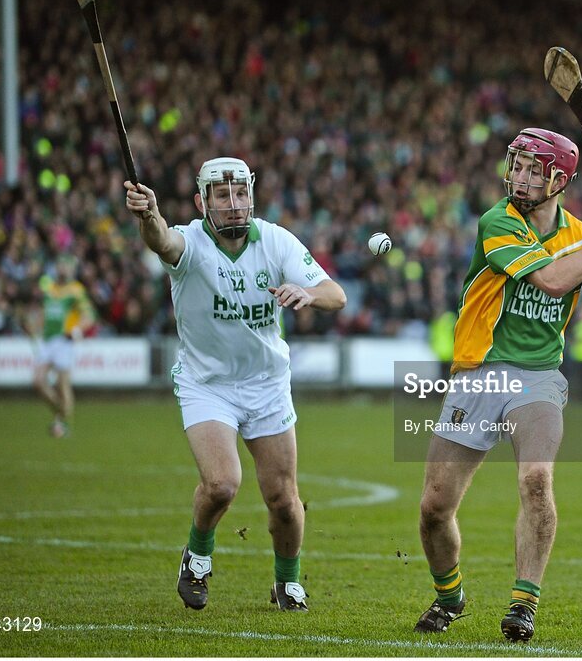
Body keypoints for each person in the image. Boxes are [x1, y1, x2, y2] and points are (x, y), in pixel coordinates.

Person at [413, 129, 582, 642]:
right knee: (435, 508)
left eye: (533, 170)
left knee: (535, 480)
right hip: (479, 372)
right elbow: (549, 280)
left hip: (539, 378)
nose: (519, 178)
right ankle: (450, 595)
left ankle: (523, 603)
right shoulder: (497, 221)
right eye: (517, 166)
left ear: (560, 180)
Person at [124, 157, 346, 613]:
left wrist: (308, 293)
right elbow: (162, 241)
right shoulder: (192, 244)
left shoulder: (275, 240)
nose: (234, 204)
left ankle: (287, 584)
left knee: (284, 501)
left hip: (266, 384)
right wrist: (150, 216)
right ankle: (197, 555)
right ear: (201, 202)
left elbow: (335, 294)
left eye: (241, 193)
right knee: (223, 484)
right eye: (222, 196)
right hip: (208, 384)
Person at [28, 255, 94, 438]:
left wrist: (76, 330)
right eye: (60, 265)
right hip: (47, 340)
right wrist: (35, 327)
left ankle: (63, 423)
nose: (63, 269)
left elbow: (89, 316)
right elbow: (43, 310)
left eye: (66, 266)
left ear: (72, 269)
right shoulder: (49, 287)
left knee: (62, 383)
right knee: (38, 381)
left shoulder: (76, 290)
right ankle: (61, 412)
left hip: (64, 341)